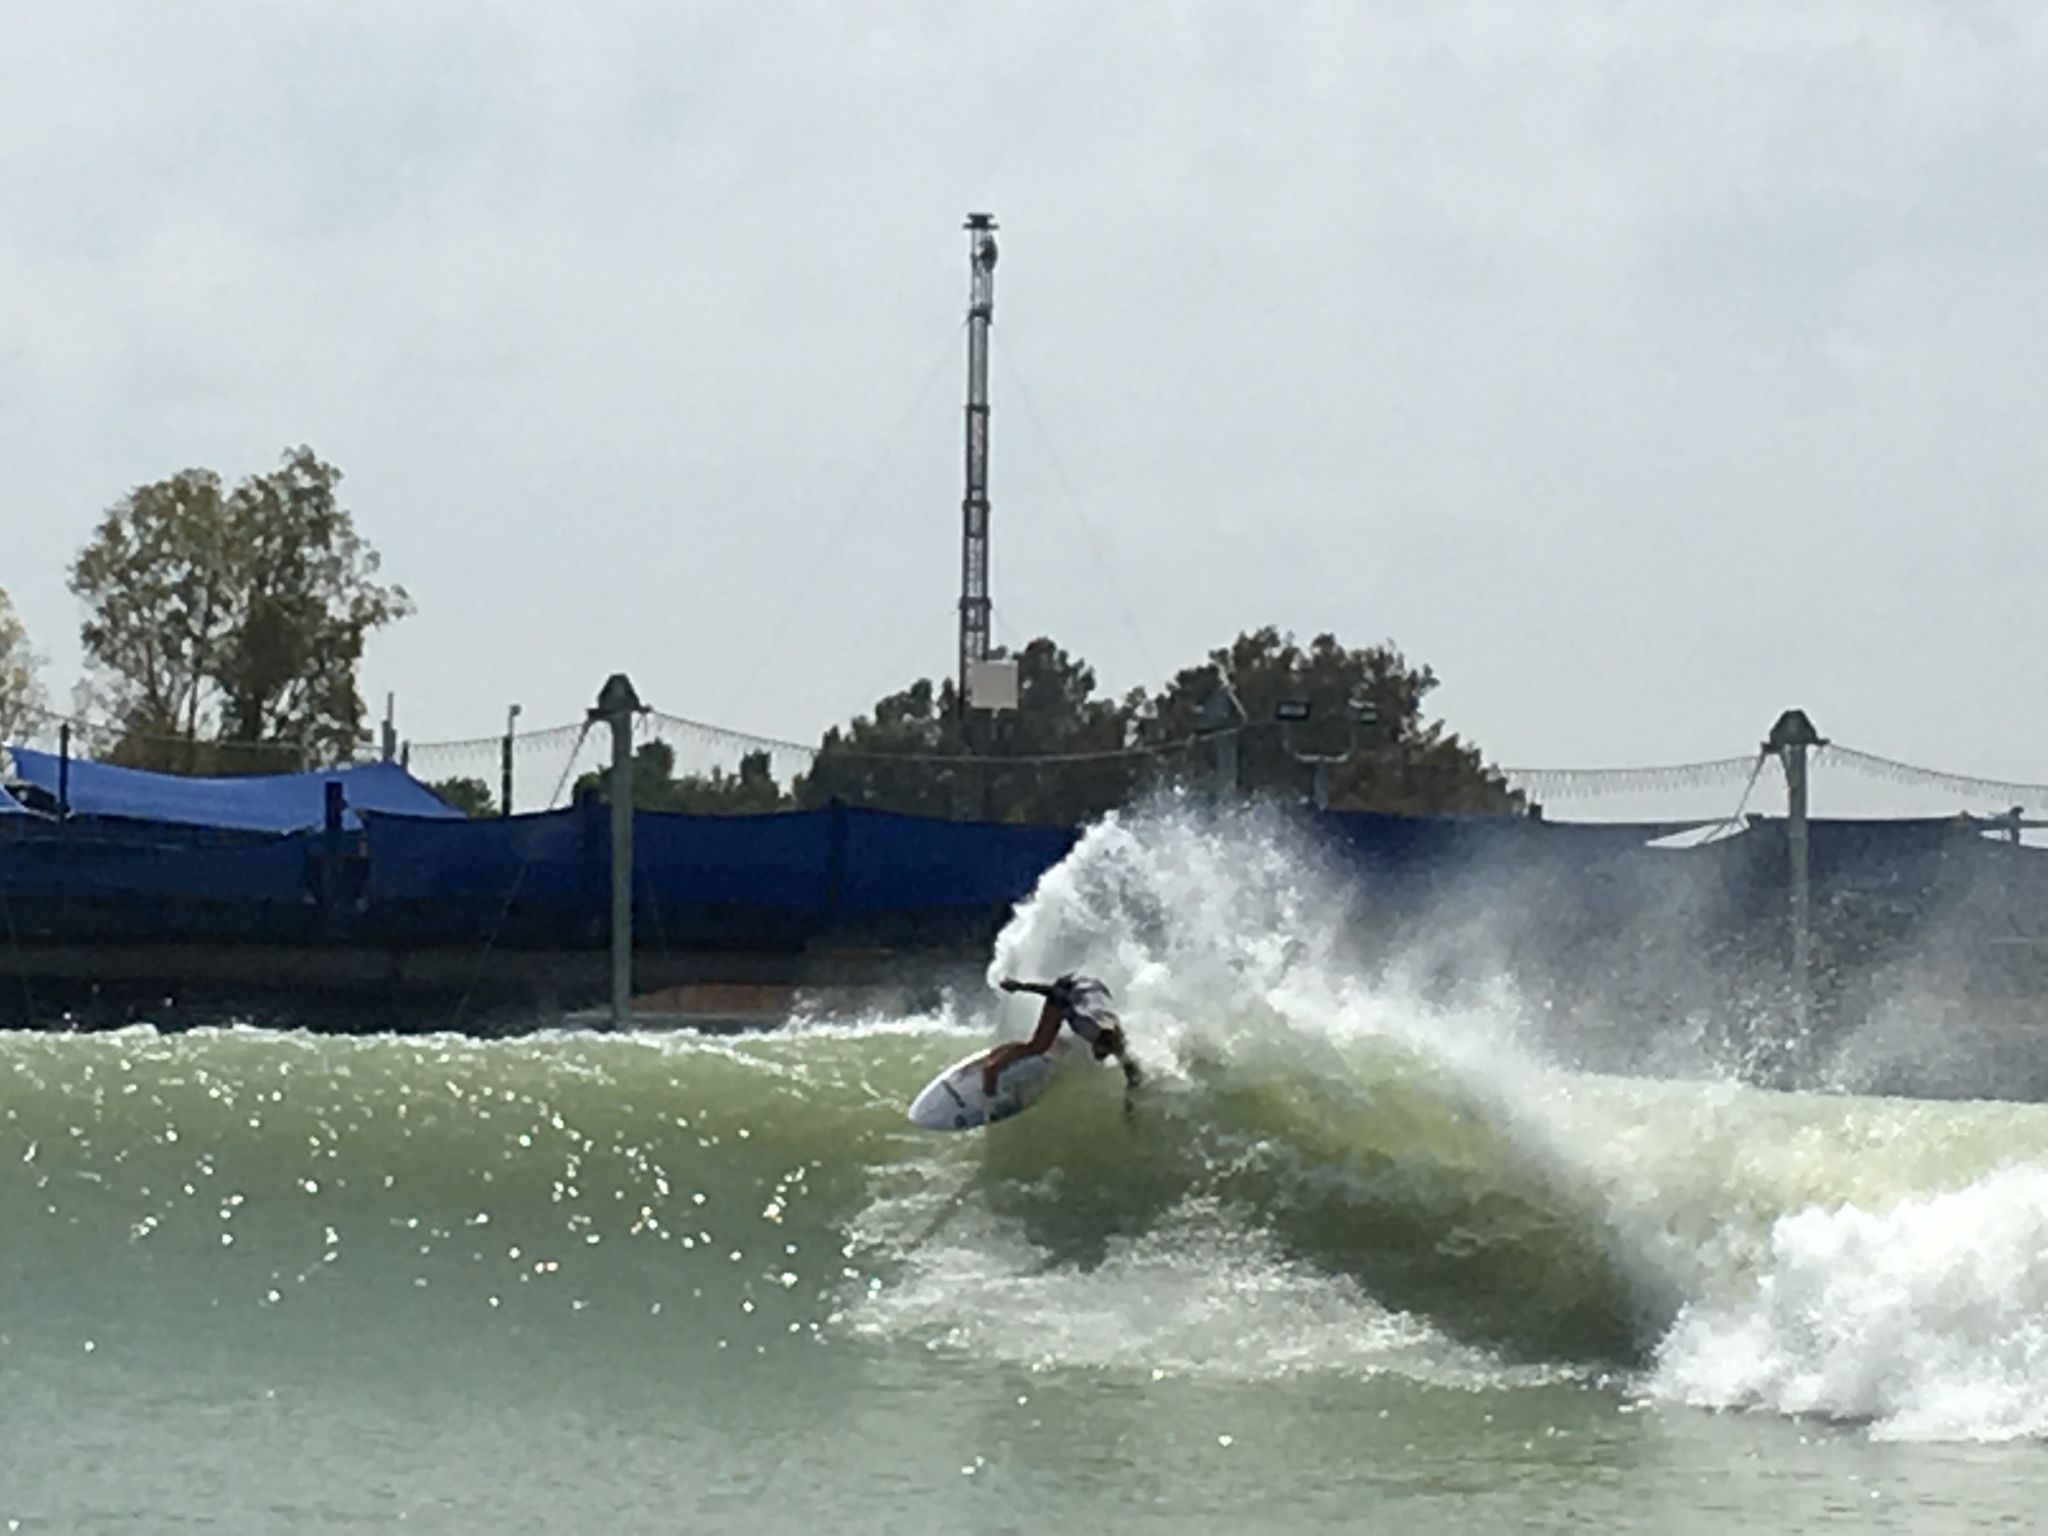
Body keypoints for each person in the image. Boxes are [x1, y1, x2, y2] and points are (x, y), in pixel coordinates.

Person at [981, 973, 1141, 1096]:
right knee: (1039, 1045)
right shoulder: (1085, 1019)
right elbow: (1054, 992)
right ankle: (992, 1069)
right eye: (1101, 1052)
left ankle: (1052, 1044)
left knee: (1058, 1039)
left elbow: (1133, 1077)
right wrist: (1020, 986)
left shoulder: (1118, 1043)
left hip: (1094, 988)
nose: (1099, 1056)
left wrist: (1130, 1108)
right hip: (1069, 989)